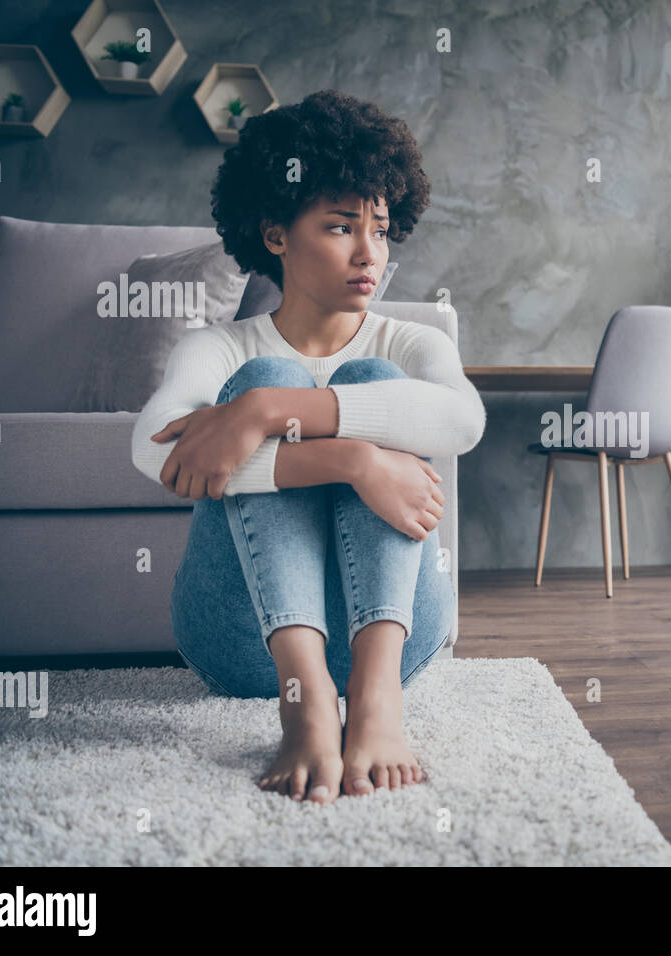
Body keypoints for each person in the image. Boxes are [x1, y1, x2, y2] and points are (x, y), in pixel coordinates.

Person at [130, 89, 485, 805]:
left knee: (366, 382)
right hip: (242, 645)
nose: (369, 254)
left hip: (391, 640)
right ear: (275, 234)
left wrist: (266, 414)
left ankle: (376, 701)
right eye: (339, 227)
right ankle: (307, 704)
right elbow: (155, 450)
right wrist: (355, 459)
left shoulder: (411, 342)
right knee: (260, 373)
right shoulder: (219, 347)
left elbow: (462, 422)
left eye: (382, 231)